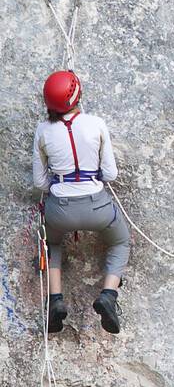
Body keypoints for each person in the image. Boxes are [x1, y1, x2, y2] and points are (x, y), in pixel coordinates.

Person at [33, 70, 130, 335]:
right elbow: (110, 174)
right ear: (77, 95)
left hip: (60, 209)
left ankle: (55, 300)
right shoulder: (96, 124)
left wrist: (62, 178)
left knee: (52, 243)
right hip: (97, 206)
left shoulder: (43, 130)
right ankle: (108, 294)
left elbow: (40, 182)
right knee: (121, 241)